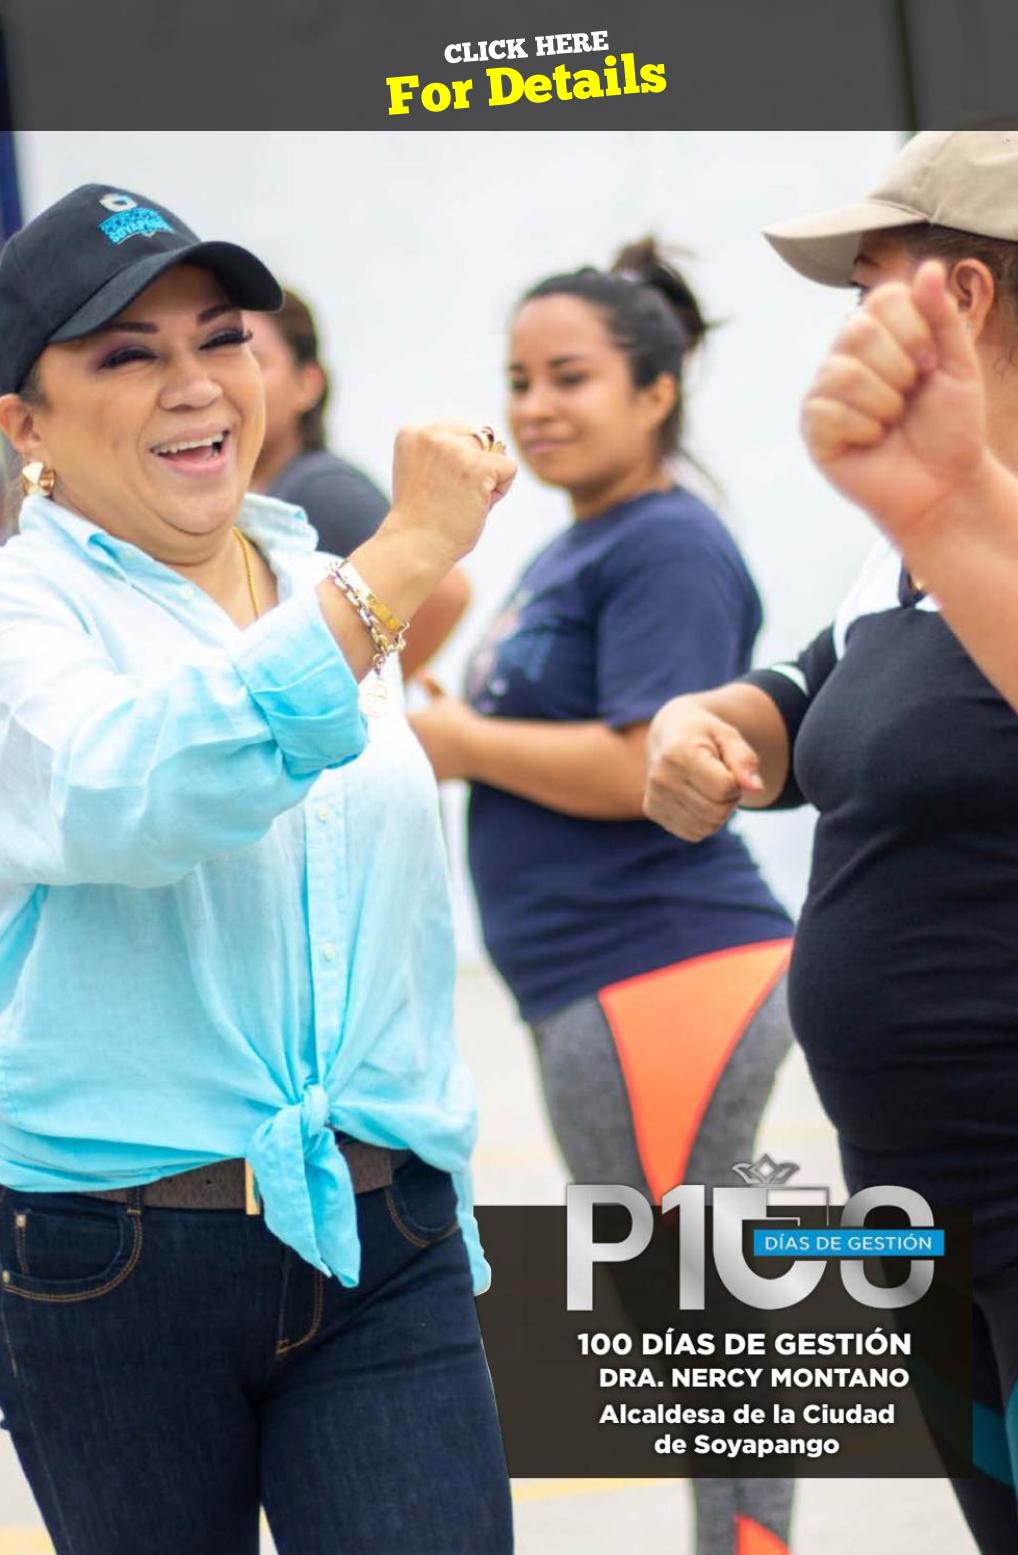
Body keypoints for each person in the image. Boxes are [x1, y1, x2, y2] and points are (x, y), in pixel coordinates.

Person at [0, 183, 516, 1555]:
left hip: (380, 1232)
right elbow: (132, 788)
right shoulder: (24, 610)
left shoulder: (314, 579)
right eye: (125, 353)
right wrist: (402, 561)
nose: (193, 384)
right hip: (113, 1261)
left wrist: (427, 1154)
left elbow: (395, 909)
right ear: (23, 424)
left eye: (221, 336)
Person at [644, 128, 1018, 1555]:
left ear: (965, 297)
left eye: (868, 278)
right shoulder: (901, 552)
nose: (848, 317)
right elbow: (801, 697)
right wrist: (705, 726)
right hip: (921, 1197)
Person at [409, 239, 797, 1555]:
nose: (534, 404)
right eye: (519, 377)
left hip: (660, 971)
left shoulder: (670, 541)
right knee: (677, 1315)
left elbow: (653, 760)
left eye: (570, 376)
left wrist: (461, 745)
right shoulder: (580, 542)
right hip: (606, 982)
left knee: (699, 1318)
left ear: (656, 393)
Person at [248, 287, 470, 676]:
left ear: (307, 384)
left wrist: (359, 691)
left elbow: (445, 591)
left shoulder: (321, 490)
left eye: (253, 361)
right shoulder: (263, 497)